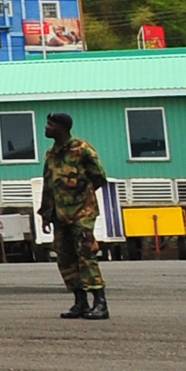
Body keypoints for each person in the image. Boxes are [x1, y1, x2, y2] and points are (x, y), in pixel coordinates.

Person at [41, 111, 110, 320]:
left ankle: (100, 303)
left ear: (62, 128)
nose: (46, 127)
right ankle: (80, 302)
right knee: (65, 258)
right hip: (60, 215)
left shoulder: (82, 149)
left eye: (51, 124)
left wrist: (80, 196)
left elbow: (99, 177)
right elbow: (48, 185)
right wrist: (46, 214)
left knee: (86, 254)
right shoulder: (51, 154)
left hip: (81, 213)